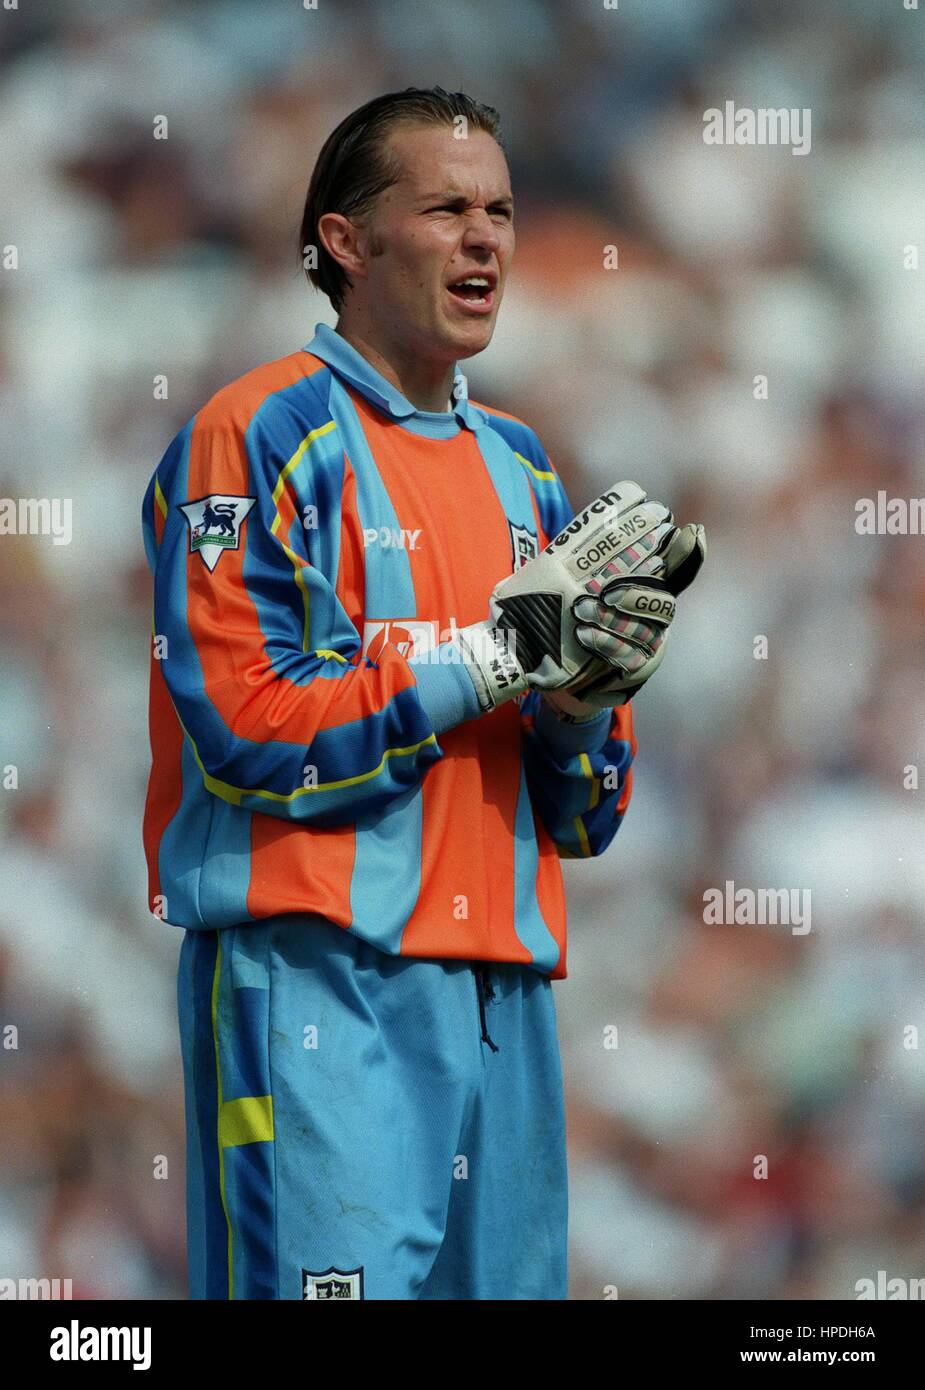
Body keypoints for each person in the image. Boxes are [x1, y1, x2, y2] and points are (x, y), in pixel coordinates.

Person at [141, 86, 703, 1300]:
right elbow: (249, 734)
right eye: (446, 206)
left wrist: (583, 706)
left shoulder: (527, 468)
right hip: (317, 975)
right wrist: (501, 653)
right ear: (344, 240)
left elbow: (585, 814)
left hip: (504, 995)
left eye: (499, 208)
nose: (486, 236)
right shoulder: (254, 435)